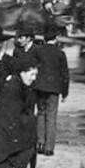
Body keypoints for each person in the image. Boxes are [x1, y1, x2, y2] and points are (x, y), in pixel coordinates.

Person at [31, 26, 70, 157]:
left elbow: (32, 69)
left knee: (41, 114)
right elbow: (65, 74)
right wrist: (65, 92)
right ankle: (49, 148)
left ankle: (39, 144)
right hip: (54, 89)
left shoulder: (37, 51)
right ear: (56, 38)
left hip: (40, 88)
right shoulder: (60, 53)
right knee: (51, 117)